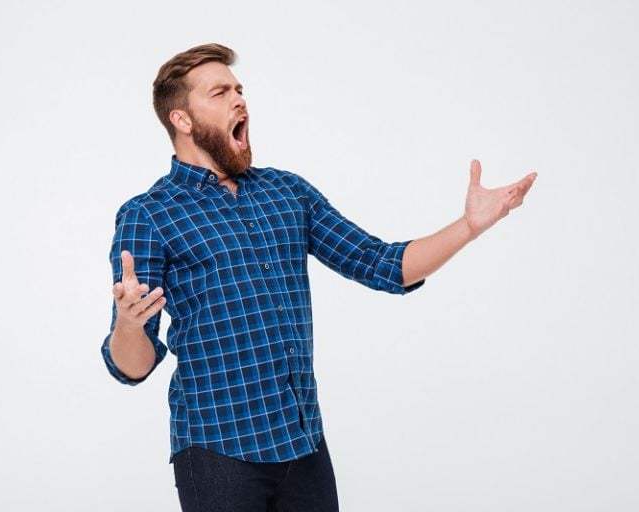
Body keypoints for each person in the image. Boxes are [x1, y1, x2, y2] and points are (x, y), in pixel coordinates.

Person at [100, 43, 536, 512]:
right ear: (182, 120)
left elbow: (381, 263)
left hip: (303, 443)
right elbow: (132, 367)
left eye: (239, 89)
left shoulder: (287, 192)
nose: (239, 100)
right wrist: (129, 322)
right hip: (218, 451)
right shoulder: (150, 215)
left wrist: (469, 226)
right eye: (220, 92)